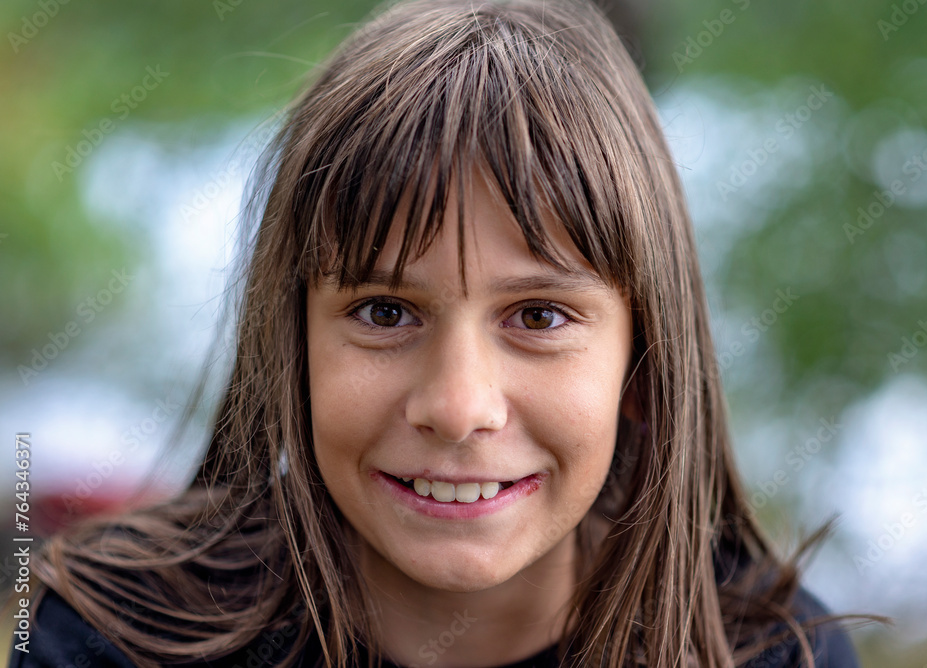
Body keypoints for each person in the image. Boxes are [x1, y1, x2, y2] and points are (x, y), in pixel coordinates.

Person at [9, 0, 864, 665]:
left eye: (537, 317)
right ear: (291, 349)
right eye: (386, 313)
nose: (457, 408)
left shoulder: (773, 654)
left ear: (643, 366)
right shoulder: (107, 640)